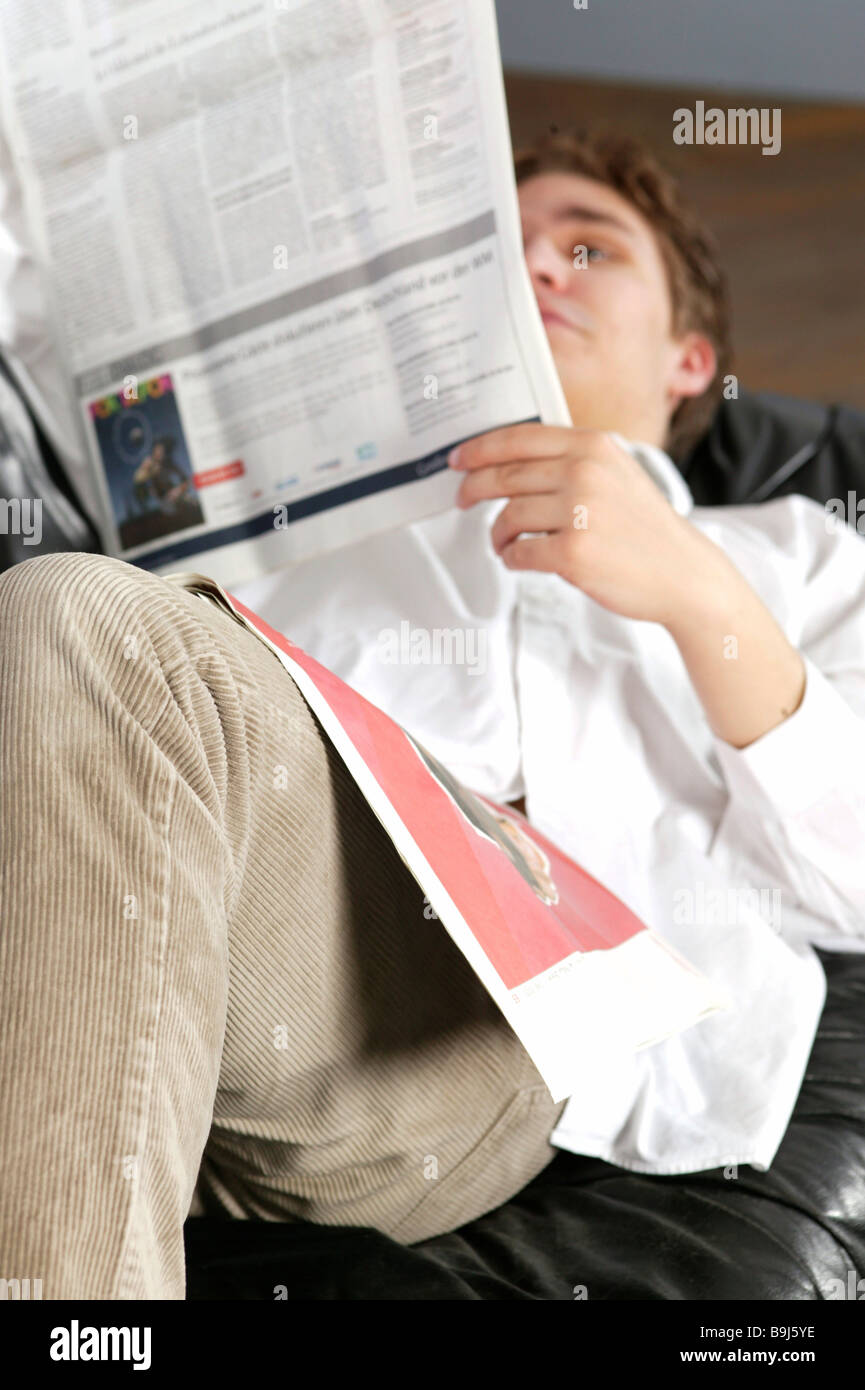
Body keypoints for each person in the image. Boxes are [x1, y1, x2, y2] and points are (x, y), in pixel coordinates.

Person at [1, 128, 864, 1300]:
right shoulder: (297, 518)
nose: (538, 270)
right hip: (172, 930)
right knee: (73, 619)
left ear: (687, 358)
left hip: (454, 1042)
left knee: (75, 619)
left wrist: (694, 590)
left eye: (588, 248)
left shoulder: (795, 559)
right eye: (500, 252)